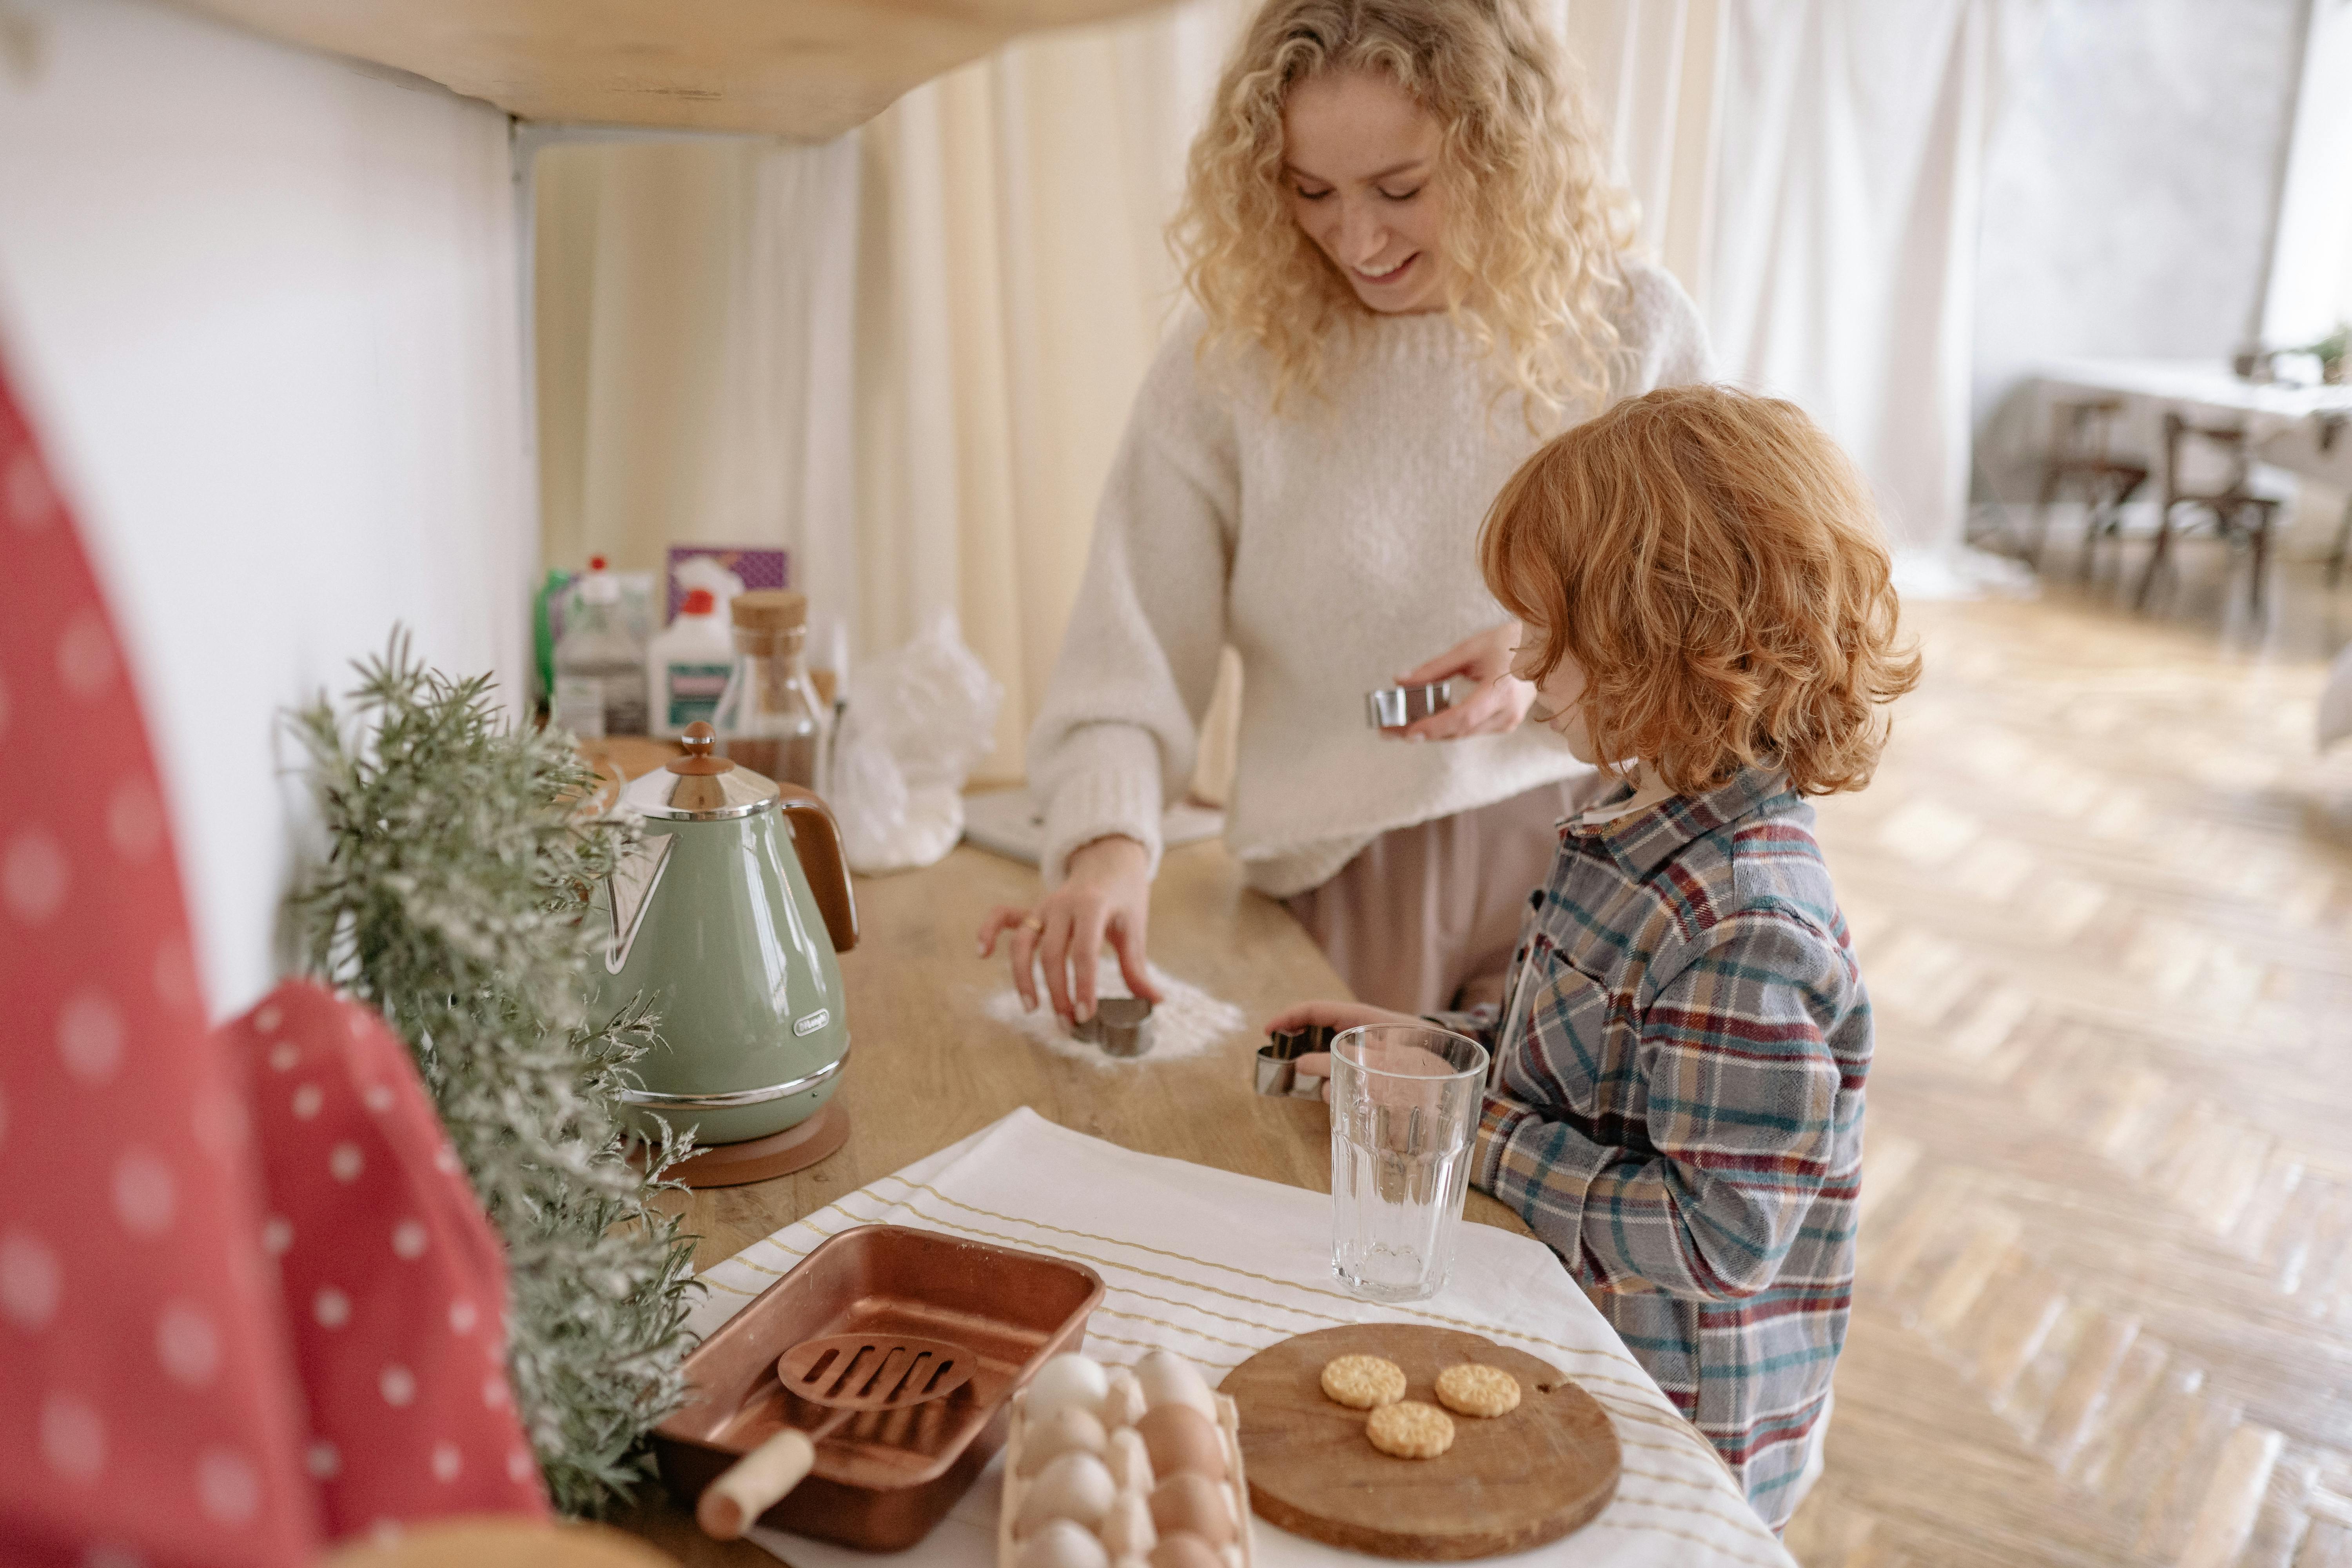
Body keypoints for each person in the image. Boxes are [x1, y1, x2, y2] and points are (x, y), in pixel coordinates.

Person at [977, 0, 1712, 1022]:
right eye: (1310, 190)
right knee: (1329, 1173)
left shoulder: (1635, 329)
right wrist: (1106, 854)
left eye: (1401, 189)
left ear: (1503, 157)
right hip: (1337, 872)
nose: (1355, 238)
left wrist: (1548, 652)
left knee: (1542, 1177)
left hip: (1596, 853)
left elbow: (1710, 626)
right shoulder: (1230, 360)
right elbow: (1124, 660)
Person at [1268, 383, 1921, 1527]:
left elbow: (1716, 1240)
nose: (1517, 656)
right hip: (1567, 1342)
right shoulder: (1626, 818)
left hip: (1672, 1439)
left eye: (1543, 626)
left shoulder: (1745, 927)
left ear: (1654, 636)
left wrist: (1468, 1128)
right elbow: (1581, 1065)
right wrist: (1430, 1050)